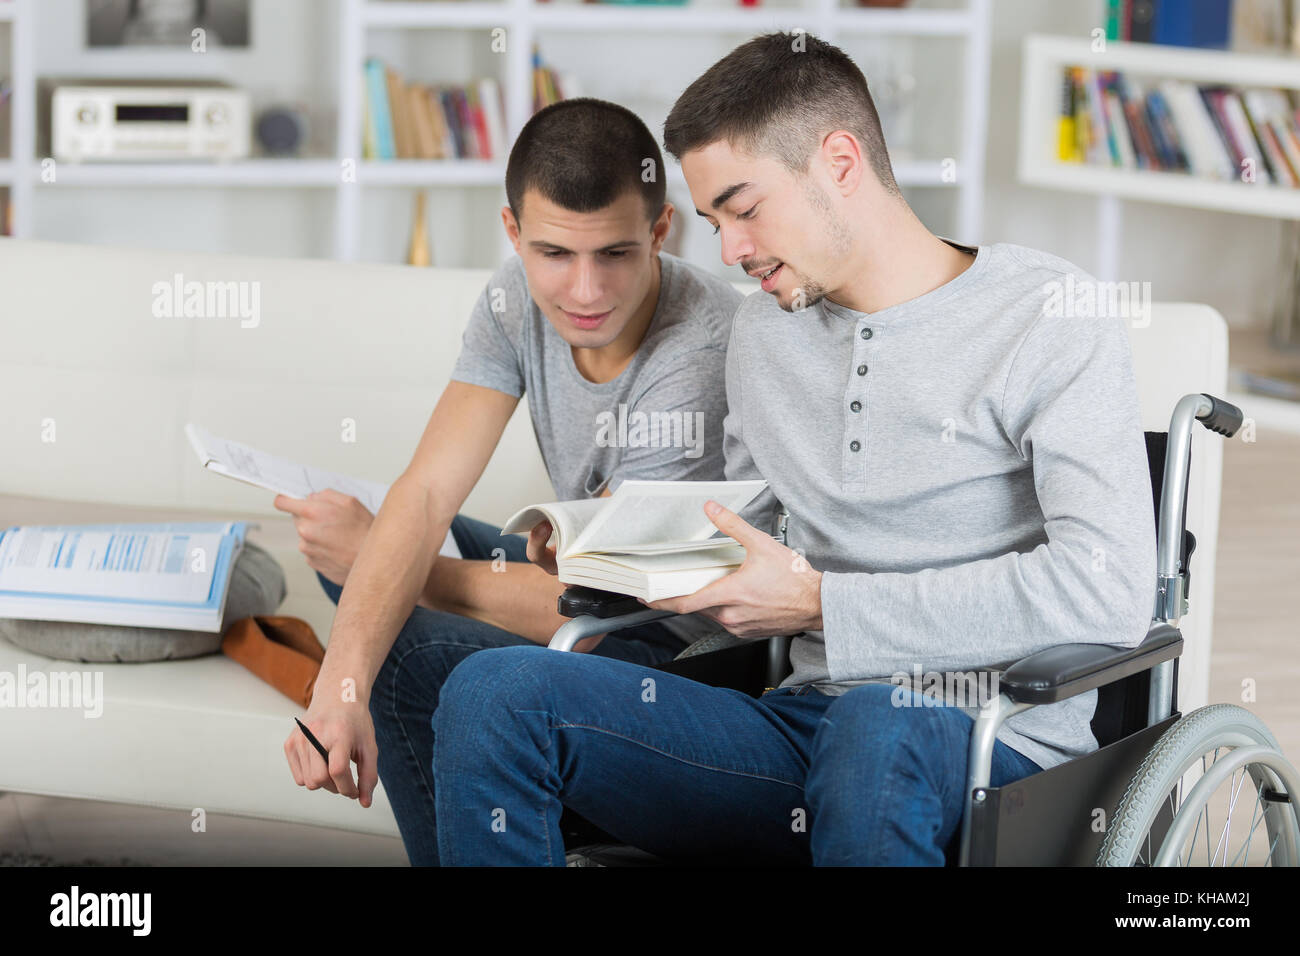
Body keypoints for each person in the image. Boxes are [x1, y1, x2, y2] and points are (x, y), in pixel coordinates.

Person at [428, 32, 1157, 866]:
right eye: (712, 222)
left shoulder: (1048, 316)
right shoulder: (763, 336)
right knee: (494, 692)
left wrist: (823, 606)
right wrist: (614, 549)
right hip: (804, 727)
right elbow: (753, 532)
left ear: (839, 162)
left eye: (744, 208)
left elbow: (1108, 591)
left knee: (879, 721)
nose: (730, 250)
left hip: (989, 738)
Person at [278, 97, 743, 866]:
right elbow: (427, 493)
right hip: (584, 582)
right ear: (513, 233)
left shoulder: (703, 342)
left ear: (662, 232)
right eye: (555, 254)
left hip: (681, 647)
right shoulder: (508, 301)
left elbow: (615, 597)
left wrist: (394, 596)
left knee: (398, 636)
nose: (585, 291)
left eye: (617, 254)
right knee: (357, 553)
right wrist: (338, 688)